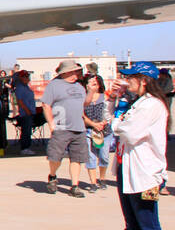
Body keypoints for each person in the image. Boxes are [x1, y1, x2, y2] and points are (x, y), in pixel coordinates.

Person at [109, 61, 171, 230]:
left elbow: (131, 133)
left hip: (145, 173)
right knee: (131, 224)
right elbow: (113, 122)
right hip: (127, 170)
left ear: (144, 80)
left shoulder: (152, 105)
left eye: (131, 77)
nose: (127, 81)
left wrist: (118, 120)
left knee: (149, 225)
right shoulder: (136, 103)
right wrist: (116, 101)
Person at [42, 59, 87, 195]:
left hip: (79, 127)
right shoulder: (54, 86)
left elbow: (84, 105)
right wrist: (51, 123)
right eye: (72, 72)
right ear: (64, 73)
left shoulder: (79, 87)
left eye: (76, 72)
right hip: (61, 126)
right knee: (55, 156)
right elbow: (46, 104)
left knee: (77, 158)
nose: (75, 75)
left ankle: (75, 186)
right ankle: (53, 175)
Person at [81, 73, 113, 189]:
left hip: (104, 131)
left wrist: (103, 123)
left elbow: (110, 112)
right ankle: (93, 182)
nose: (93, 85)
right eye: (90, 83)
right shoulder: (83, 98)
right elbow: (81, 115)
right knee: (90, 156)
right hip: (89, 130)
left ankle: (102, 178)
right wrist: (93, 124)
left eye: (95, 83)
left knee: (104, 156)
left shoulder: (105, 96)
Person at [13, 69, 36, 154]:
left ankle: (27, 147)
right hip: (26, 113)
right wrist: (27, 111)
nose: (27, 78)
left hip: (30, 112)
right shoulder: (19, 88)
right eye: (25, 76)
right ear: (20, 78)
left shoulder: (26, 87)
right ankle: (24, 148)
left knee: (28, 130)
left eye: (27, 76)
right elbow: (20, 101)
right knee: (26, 130)